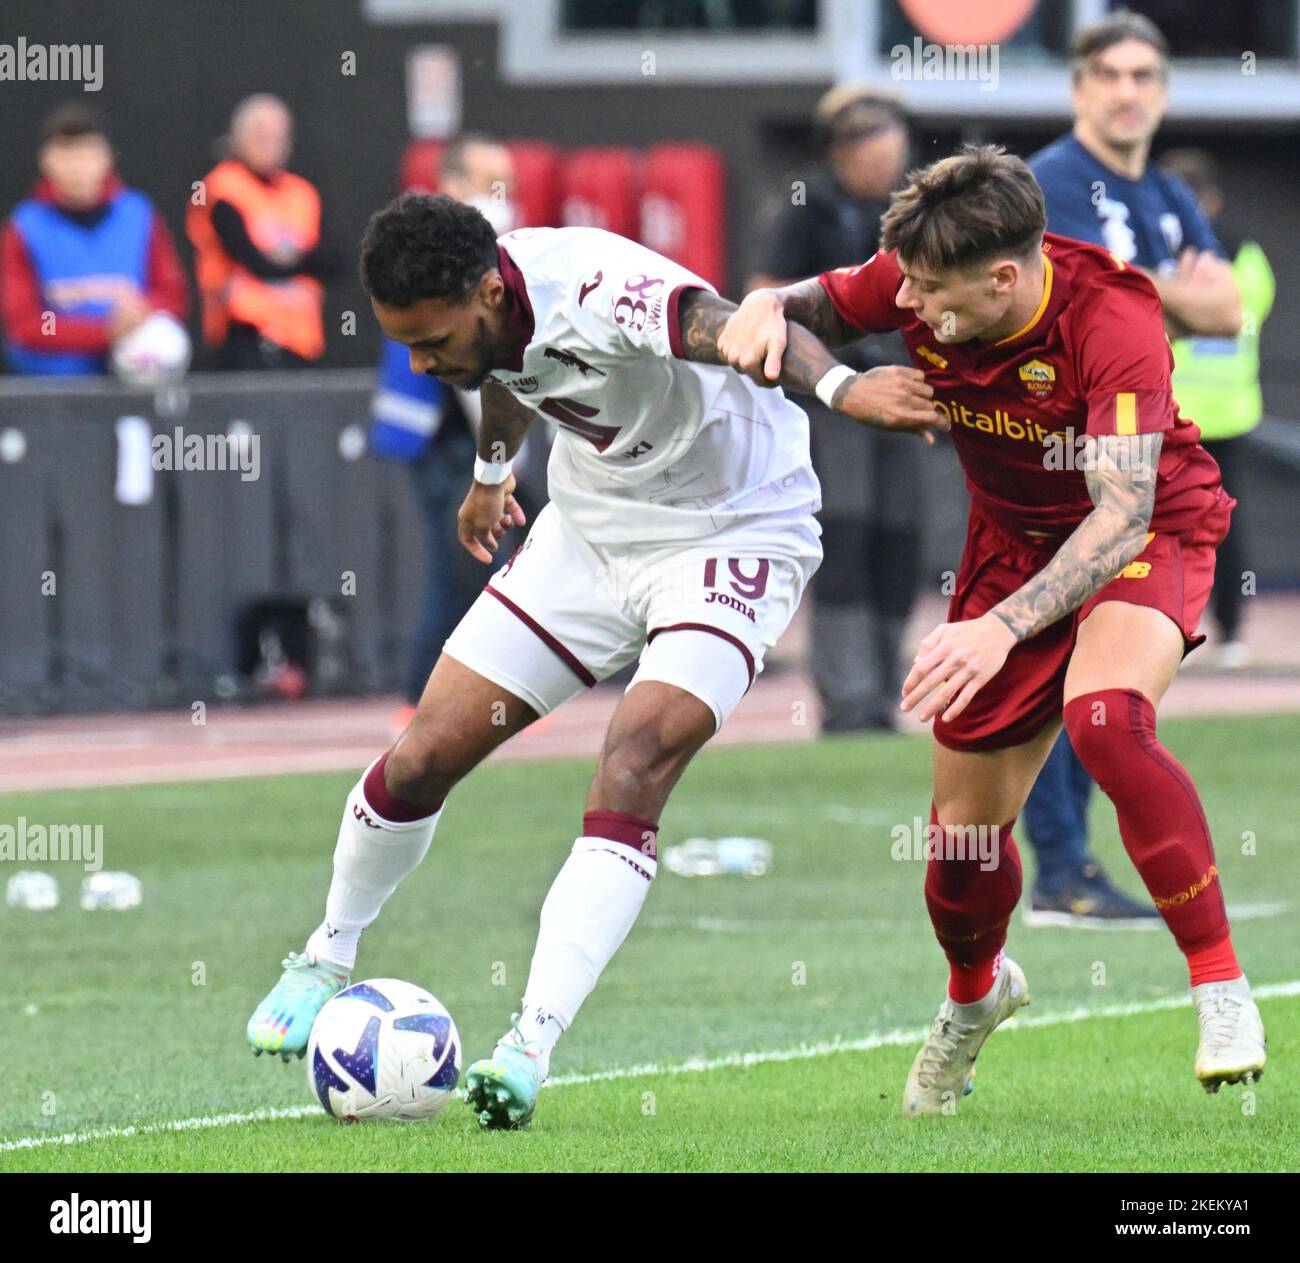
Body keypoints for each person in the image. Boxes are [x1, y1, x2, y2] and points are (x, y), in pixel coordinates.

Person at [245, 193, 942, 1128]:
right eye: (404, 344)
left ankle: (527, 1047)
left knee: (635, 759)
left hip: (731, 532)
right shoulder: (488, 316)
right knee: (421, 755)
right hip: (591, 534)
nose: (420, 363)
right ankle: (326, 953)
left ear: (490, 292)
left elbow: (738, 324)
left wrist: (845, 390)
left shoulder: (599, 287)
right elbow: (507, 369)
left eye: (431, 340)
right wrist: (491, 474)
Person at [719, 145, 1265, 1112]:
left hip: (1144, 534)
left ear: (1005, 278)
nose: (909, 307)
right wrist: (829, 372)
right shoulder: (917, 271)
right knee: (962, 847)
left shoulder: (1114, 315)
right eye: (906, 286)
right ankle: (975, 998)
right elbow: (800, 308)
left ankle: (1220, 985)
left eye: (930, 295)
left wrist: (1000, 629)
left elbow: (1122, 514)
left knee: (1105, 719)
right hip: (1012, 547)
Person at [1019, 8, 1244, 927]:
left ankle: (1067, 867)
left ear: (1163, 89)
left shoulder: (1164, 189)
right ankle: (1057, 868)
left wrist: (1153, 288)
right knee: (1047, 661)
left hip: (1134, 445)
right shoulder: (1050, 181)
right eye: (1109, 74)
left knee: (1099, 663)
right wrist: (1166, 289)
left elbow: (1227, 311)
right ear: (1079, 87)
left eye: (1143, 76)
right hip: (1055, 449)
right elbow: (1088, 293)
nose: (1127, 92)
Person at [750, 86, 922, 731]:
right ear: (841, 152)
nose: (887, 167)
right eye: (875, 155)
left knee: (899, 541)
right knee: (844, 540)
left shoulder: (908, 209)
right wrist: (833, 362)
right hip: (833, 402)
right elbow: (763, 299)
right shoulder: (806, 207)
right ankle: (848, 700)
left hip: (904, 394)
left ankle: (886, 694)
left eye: (894, 153)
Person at [369, 135, 536, 733]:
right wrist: (500, 459)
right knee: (458, 565)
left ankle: (490, 698)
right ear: (452, 183)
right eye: (489, 184)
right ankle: (421, 699)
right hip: (439, 434)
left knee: (492, 567)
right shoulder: (424, 254)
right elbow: (474, 370)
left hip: (474, 435)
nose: (501, 197)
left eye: (506, 184)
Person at [1158, 147, 1274, 669]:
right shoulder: (1245, 254)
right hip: (1218, 410)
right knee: (1216, 526)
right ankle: (1222, 633)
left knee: (1174, 528)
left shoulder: (1165, 256)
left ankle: (1191, 631)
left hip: (1185, 412)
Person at [1, 103, 188, 375]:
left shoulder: (138, 214)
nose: (78, 168)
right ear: (46, 161)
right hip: (51, 383)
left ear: (107, 157)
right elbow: (22, 324)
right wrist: (104, 333)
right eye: (66, 155)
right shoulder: (24, 225)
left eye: (88, 154)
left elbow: (173, 295)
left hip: (130, 376)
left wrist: (144, 310)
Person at [186, 94, 338, 369]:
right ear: (237, 138)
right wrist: (301, 260)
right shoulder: (221, 189)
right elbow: (255, 261)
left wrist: (287, 258)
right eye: (260, 135)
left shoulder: (302, 193)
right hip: (243, 337)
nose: (270, 143)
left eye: (279, 136)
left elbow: (335, 261)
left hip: (301, 340)